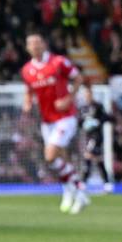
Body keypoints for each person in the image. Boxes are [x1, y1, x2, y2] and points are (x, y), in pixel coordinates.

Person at [20, 32, 89, 213]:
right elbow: (29, 91)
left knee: (50, 156)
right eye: (31, 44)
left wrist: (69, 98)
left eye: (37, 42)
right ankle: (73, 191)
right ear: (27, 48)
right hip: (46, 120)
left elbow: (79, 78)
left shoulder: (59, 62)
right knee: (58, 158)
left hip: (65, 117)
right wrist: (27, 103)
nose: (34, 46)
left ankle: (78, 188)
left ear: (44, 44)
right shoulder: (27, 70)